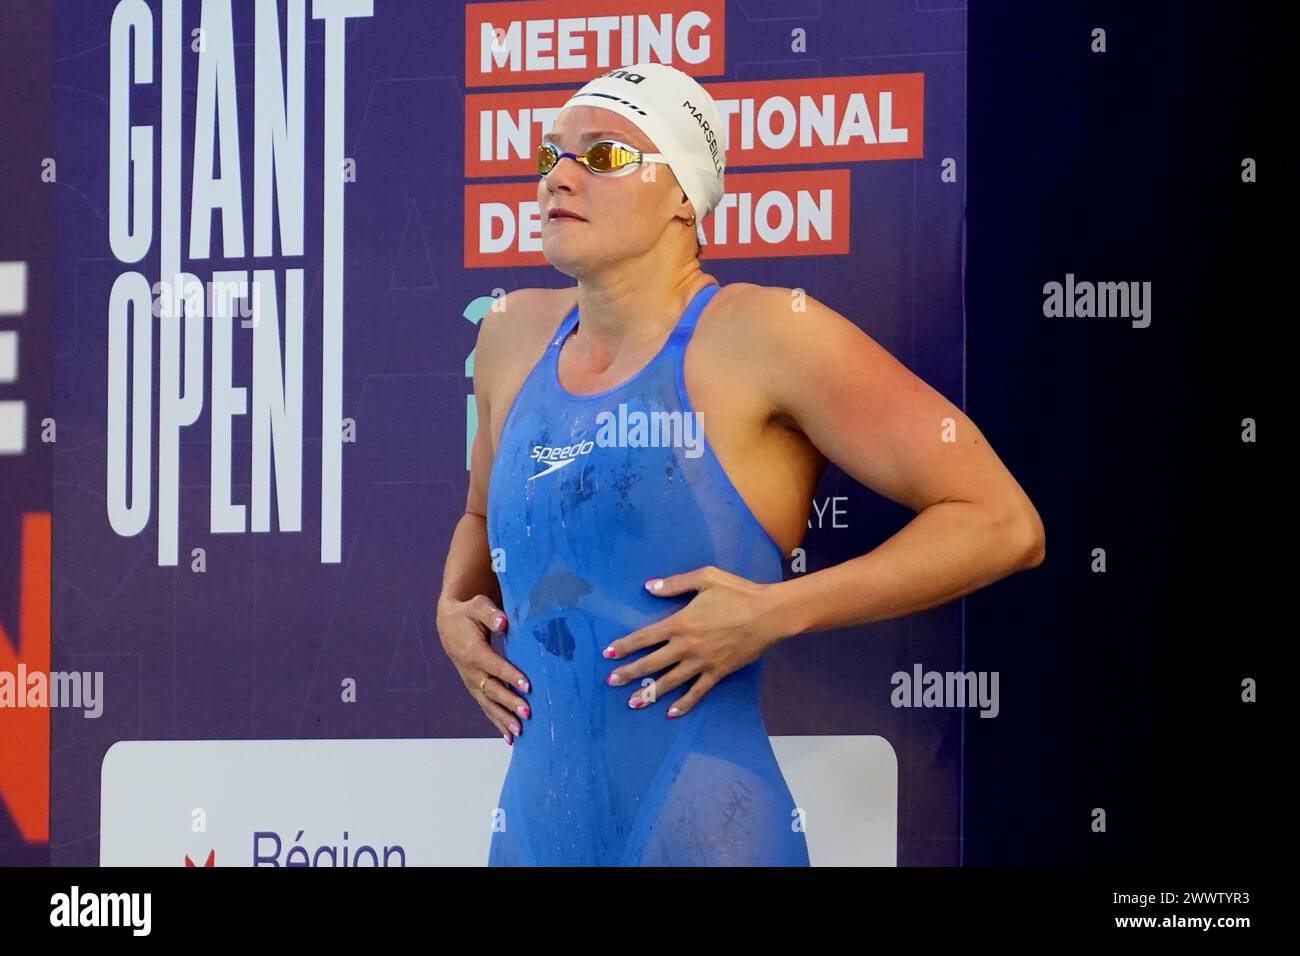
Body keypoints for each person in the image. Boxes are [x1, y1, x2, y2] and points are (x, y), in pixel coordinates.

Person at [437, 63, 1045, 866]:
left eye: (606, 156)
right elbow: (482, 515)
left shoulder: (767, 337)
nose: (562, 177)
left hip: (708, 827)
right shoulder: (510, 337)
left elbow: (1002, 523)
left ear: (685, 196)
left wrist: (779, 610)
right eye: (550, 157)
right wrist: (453, 606)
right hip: (535, 830)